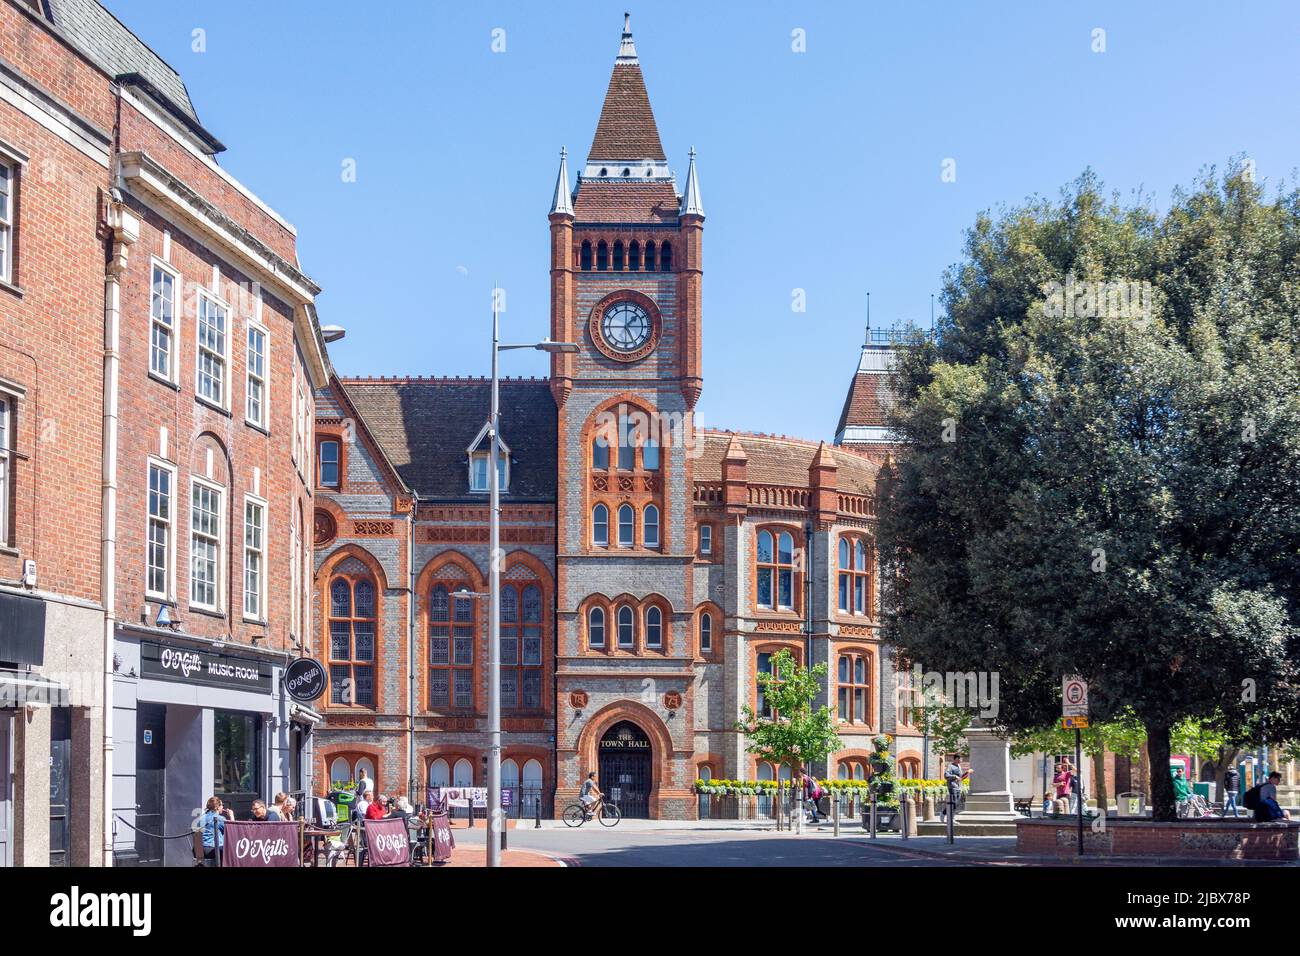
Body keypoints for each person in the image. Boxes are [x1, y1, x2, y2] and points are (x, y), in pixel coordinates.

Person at [199, 796, 233, 861]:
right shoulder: (219, 818)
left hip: (202, 849)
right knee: (232, 851)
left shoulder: (202, 817)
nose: (223, 807)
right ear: (217, 807)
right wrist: (231, 816)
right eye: (222, 805)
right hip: (214, 849)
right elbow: (232, 830)